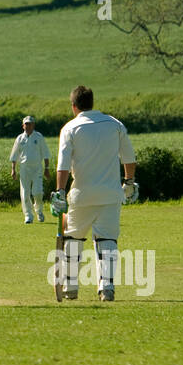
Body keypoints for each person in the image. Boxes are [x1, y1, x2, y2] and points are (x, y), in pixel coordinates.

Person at [50, 86, 137, 302]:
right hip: (110, 194)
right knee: (107, 240)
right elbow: (129, 158)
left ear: (74, 106)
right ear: (92, 102)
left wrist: (60, 191)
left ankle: (70, 286)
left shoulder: (70, 128)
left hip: (81, 195)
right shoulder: (115, 124)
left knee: (73, 237)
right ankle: (106, 287)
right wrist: (129, 182)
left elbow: (62, 166)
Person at [8, 115, 50, 224]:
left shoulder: (39, 137)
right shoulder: (20, 138)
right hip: (24, 169)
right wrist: (13, 169)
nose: (28, 126)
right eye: (26, 124)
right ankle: (28, 216)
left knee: (37, 193)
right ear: (23, 126)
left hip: (37, 169)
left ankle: (39, 211)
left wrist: (47, 168)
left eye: (30, 123)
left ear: (33, 125)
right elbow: (14, 155)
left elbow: (45, 153)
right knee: (25, 194)